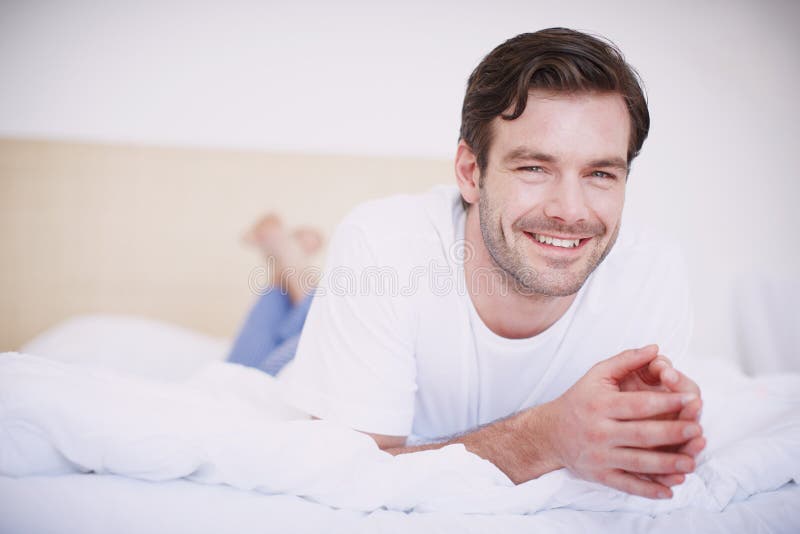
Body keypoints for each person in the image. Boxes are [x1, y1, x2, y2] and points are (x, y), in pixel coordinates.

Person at [278, 27, 704, 500]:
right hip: (321, 333)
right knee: (286, 329)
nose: (571, 210)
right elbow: (346, 475)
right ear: (469, 173)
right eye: (534, 168)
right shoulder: (382, 244)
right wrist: (547, 436)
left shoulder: (652, 271)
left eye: (600, 173)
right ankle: (283, 254)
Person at [227, 214, 321, 376]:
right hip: (243, 381)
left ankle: (283, 258)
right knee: (321, 317)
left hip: (242, 377)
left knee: (316, 317)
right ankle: (285, 258)